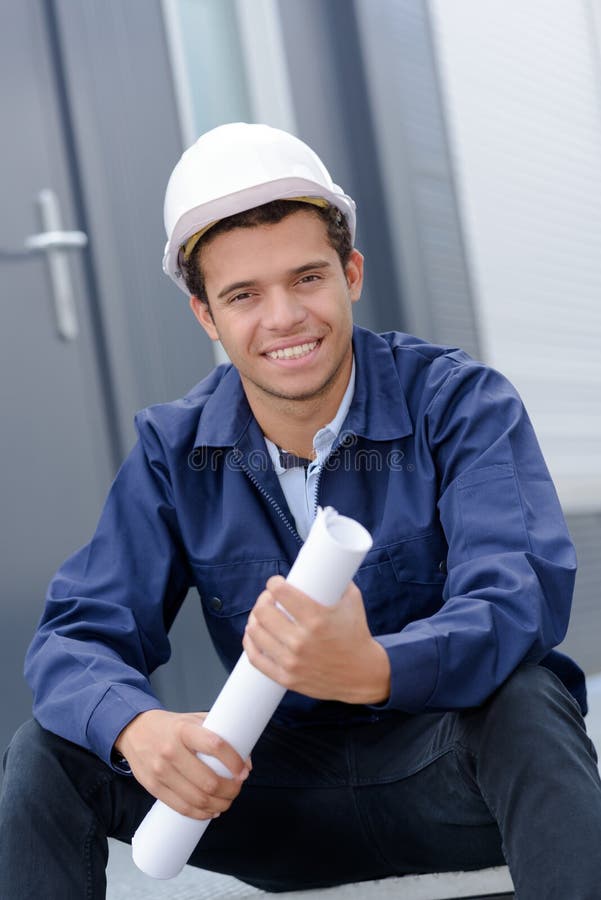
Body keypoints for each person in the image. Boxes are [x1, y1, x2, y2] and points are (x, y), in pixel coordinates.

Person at [1, 122, 600, 899]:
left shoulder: (457, 404)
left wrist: (377, 667)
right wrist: (135, 729)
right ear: (206, 317)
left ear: (350, 273)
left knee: (526, 698)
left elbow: (517, 595)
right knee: (49, 751)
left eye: (306, 278)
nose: (282, 317)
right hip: (274, 798)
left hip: (450, 780)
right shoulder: (173, 449)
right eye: (243, 295)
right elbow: (75, 637)